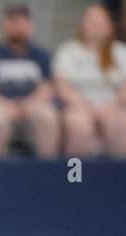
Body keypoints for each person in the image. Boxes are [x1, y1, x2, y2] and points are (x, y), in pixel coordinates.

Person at [0, 3, 57, 159]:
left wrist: (29, 105)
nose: (18, 27)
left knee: (47, 117)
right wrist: (6, 106)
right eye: (13, 22)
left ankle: (46, 172)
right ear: (5, 25)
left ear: (30, 25)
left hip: (33, 107)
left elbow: (48, 87)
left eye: (22, 22)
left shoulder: (41, 55)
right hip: (0, 107)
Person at [53, 4, 126, 158]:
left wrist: (111, 107)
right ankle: (76, 178)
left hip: (113, 106)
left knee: (121, 124)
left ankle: (117, 176)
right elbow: (62, 86)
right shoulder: (68, 51)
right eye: (92, 23)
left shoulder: (120, 52)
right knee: (79, 126)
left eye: (101, 23)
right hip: (78, 106)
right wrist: (87, 108)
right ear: (83, 25)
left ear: (109, 27)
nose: (96, 27)